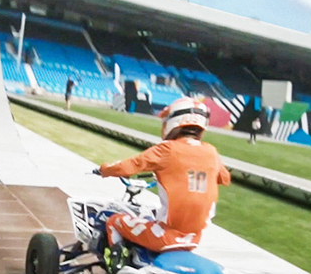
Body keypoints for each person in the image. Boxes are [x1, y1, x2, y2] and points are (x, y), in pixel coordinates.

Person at [94, 97, 231, 261]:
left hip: (165, 235)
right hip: (193, 239)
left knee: (114, 221)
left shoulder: (167, 149)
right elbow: (225, 178)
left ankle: (114, 271)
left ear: (174, 121)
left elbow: (130, 165)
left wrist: (104, 170)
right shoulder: (211, 152)